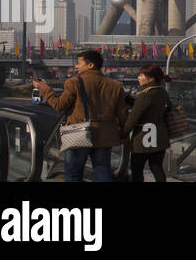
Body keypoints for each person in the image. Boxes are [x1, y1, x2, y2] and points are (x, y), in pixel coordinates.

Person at [32, 49, 129, 182]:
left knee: (73, 174)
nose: (76, 66)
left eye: (79, 63)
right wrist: (122, 134)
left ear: (90, 65)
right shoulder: (115, 85)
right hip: (105, 136)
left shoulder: (74, 82)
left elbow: (59, 105)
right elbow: (123, 115)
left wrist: (44, 88)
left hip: (79, 133)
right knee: (102, 172)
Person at [124, 64, 171, 182]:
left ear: (151, 78)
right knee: (156, 167)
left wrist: (122, 133)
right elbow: (162, 108)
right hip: (159, 135)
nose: (138, 78)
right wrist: (129, 99)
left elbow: (134, 116)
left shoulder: (145, 94)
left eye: (141, 75)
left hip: (143, 137)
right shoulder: (162, 91)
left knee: (136, 169)